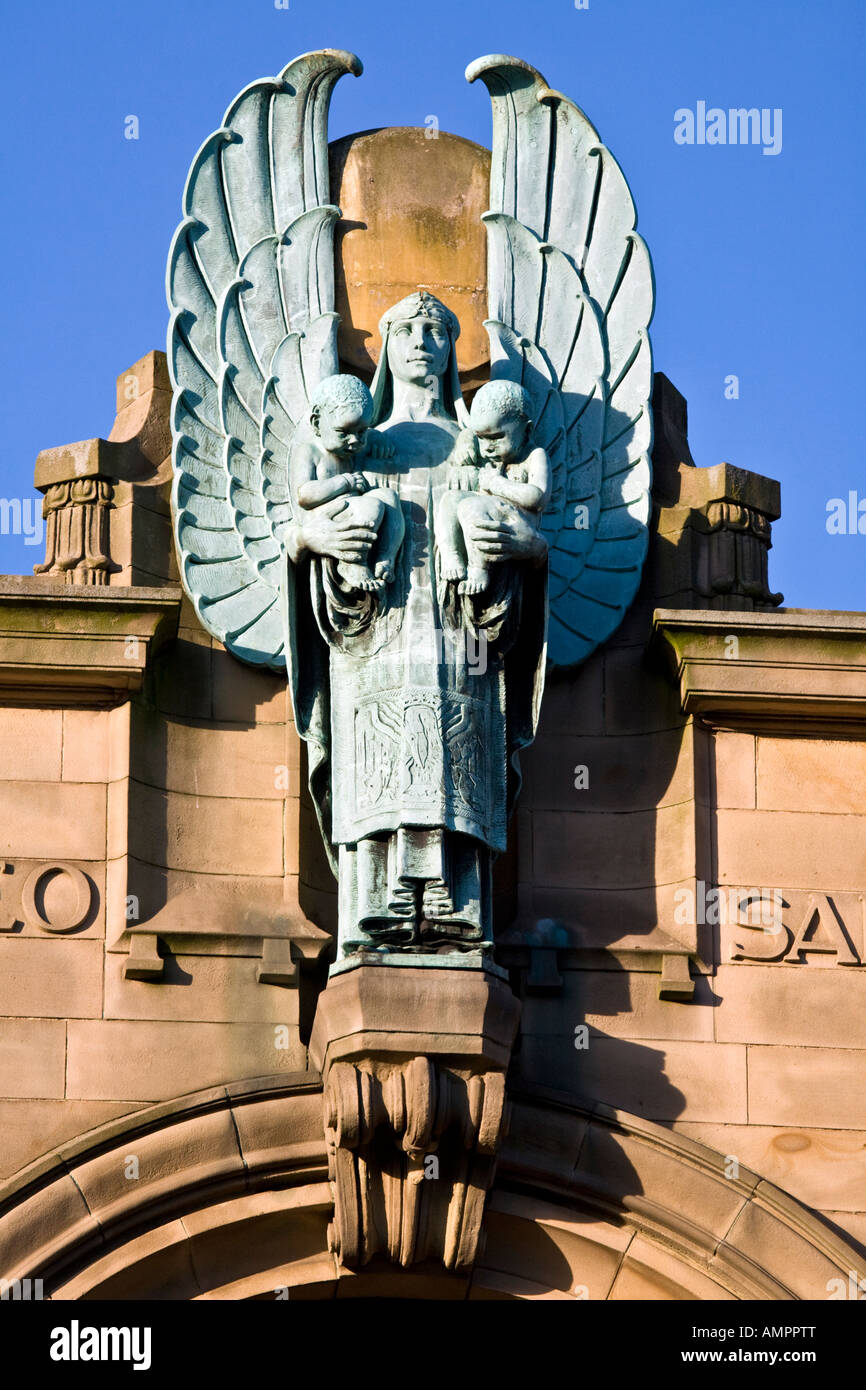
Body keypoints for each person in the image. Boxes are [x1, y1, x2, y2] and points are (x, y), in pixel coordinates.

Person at [289, 374, 403, 593]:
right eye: (343, 433)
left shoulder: (354, 447)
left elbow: (369, 440)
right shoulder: (310, 452)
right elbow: (304, 494)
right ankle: (353, 564)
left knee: (388, 498)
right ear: (317, 423)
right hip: (327, 517)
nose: (355, 440)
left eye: (362, 431)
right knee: (371, 505)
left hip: (355, 511)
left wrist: (377, 438)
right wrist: (344, 481)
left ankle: (386, 556)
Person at [437, 380, 551, 594]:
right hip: (484, 520)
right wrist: (466, 439)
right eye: (482, 438)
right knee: (450, 499)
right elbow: (471, 429)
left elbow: (537, 497)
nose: (488, 448)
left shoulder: (534, 456)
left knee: (470, 507)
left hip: (512, 526)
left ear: (527, 431)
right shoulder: (489, 452)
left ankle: (478, 568)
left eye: (497, 438)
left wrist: (496, 483)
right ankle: (451, 555)